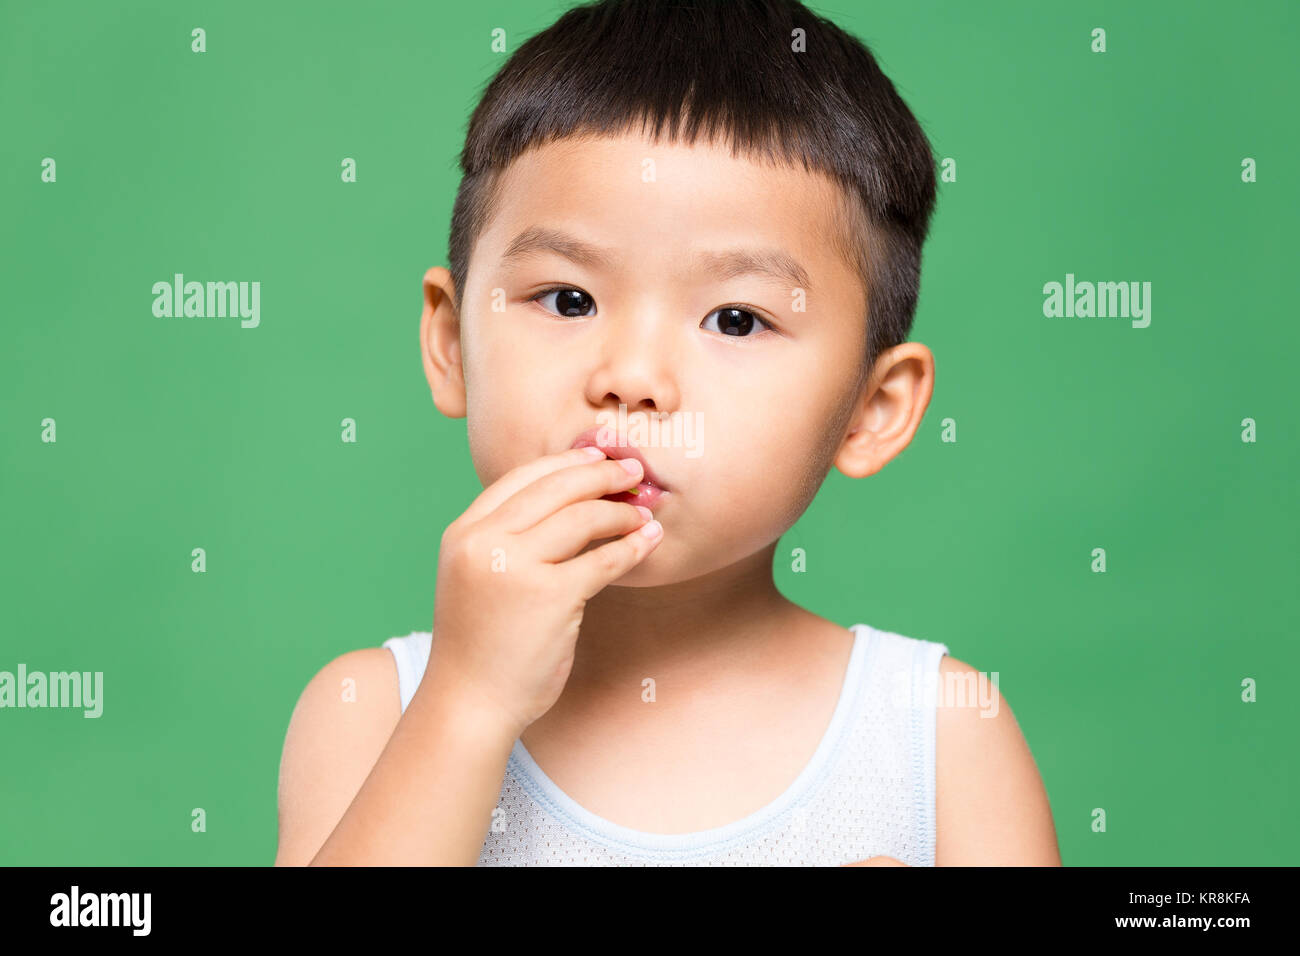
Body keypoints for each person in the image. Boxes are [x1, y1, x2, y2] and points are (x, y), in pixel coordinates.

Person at [274, 0, 1061, 866]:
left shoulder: (941, 734)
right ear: (451, 344)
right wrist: (467, 703)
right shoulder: (373, 710)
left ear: (873, 410)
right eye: (568, 299)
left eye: (734, 318)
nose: (634, 379)